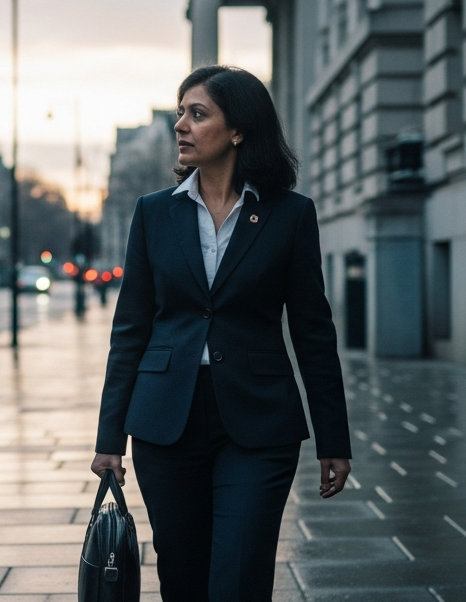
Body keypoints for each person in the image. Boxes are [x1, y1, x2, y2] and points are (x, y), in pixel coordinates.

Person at [91, 66, 352, 601]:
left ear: (238, 130)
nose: (181, 125)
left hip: (258, 422)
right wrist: (108, 437)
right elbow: (131, 329)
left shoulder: (290, 215)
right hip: (167, 422)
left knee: (238, 573)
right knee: (182, 578)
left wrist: (334, 438)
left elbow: (312, 331)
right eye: (180, 113)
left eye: (197, 114)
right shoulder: (153, 214)